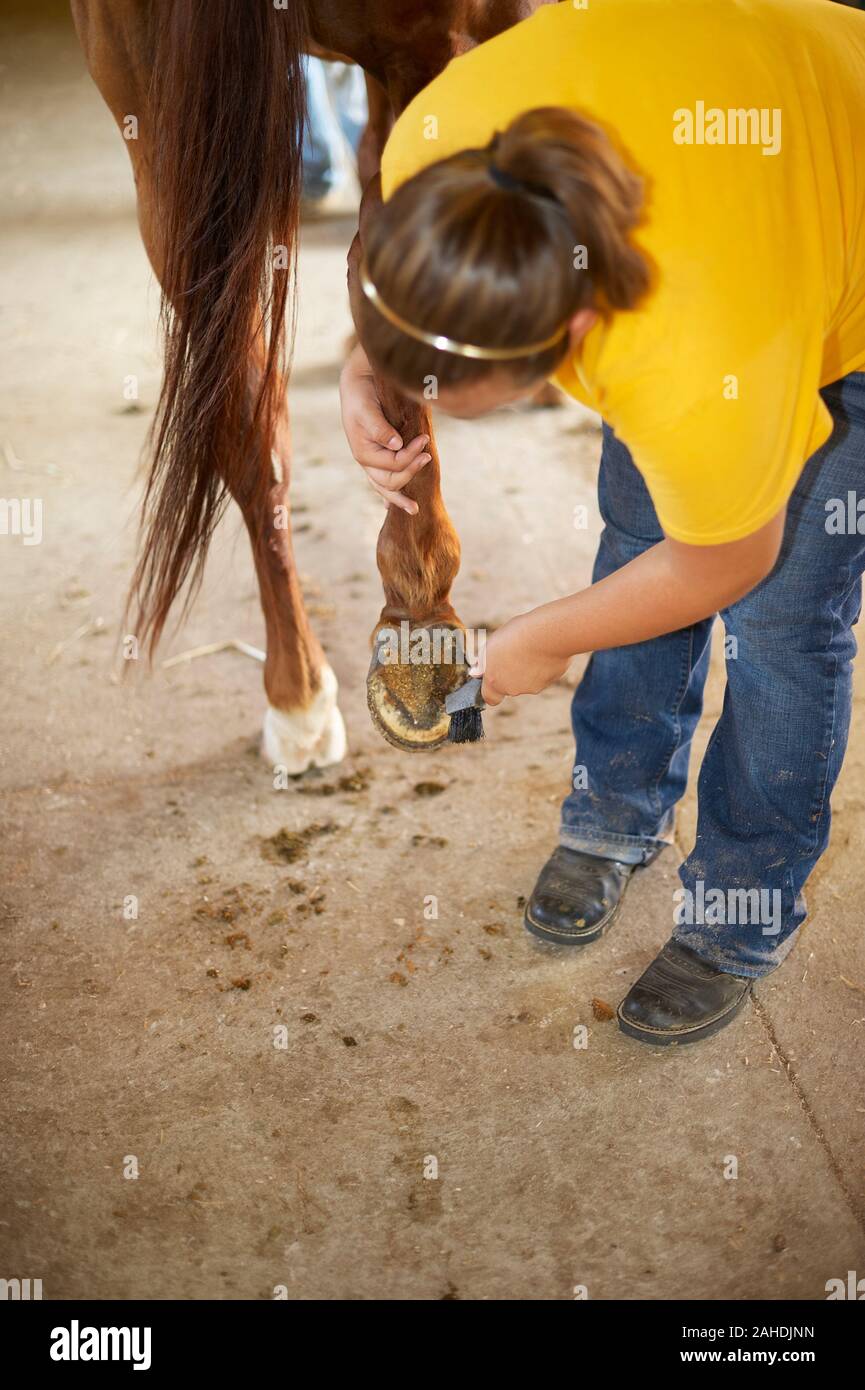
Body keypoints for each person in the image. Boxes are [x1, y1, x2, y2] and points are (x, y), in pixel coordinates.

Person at [339, 0, 865, 1044]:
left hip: (819, 215)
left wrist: (533, 641)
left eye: (449, 391)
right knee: (634, 534)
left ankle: (735, 911)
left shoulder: (698, 346)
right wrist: (371, 361)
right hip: (707, 119)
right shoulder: (434, 143)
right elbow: (408, 287)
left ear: (569, 336)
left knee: (780, 629)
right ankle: (613, 810)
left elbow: (723, 558)